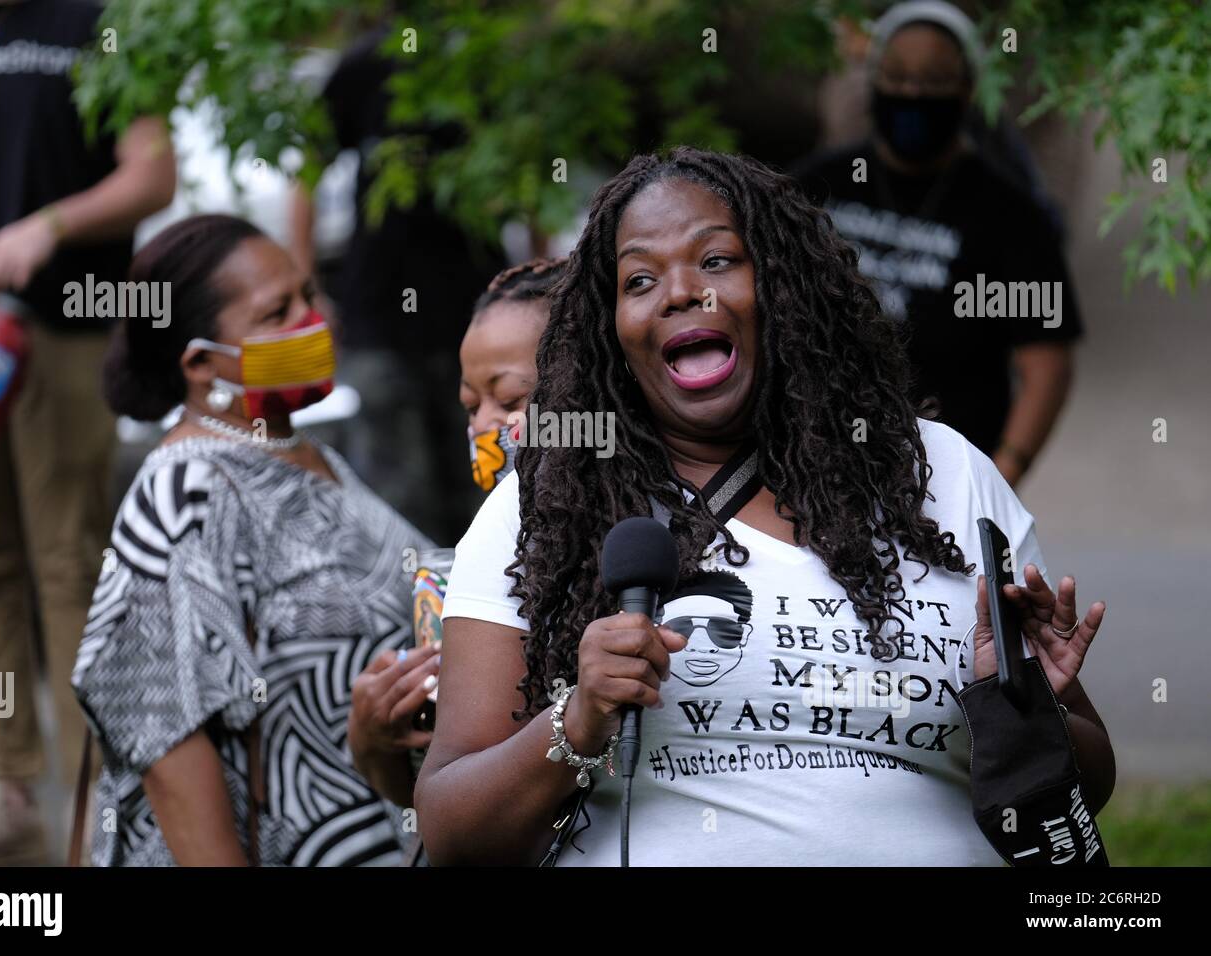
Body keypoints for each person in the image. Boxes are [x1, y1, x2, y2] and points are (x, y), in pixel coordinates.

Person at [414, 147, 1114, 866]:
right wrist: (576, 718)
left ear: (783, 283)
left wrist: (1030, 707)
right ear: (612, 325)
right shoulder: (542, 504)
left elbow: (1085, 789)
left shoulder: (943, 473)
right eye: (641, 278)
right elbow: (452, 831)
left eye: (716, 261)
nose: (682, 292)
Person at [71, 214, 431, 866]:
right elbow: (160, 726)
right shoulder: (185, 490)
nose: (313, 319)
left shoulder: (300, 450)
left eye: (308, 294)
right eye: (277, 312)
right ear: (203, 364)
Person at [0, 0, 175, 865]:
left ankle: (99, 795)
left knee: (70, 559)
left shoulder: (98, 26)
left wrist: (49, 224)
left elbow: (153, 174)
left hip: (65, 324)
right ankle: (6, 790)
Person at [791, 1, 1081, 485]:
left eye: (933, 81)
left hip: (945, 484)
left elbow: (1047, 363)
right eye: (898, 77)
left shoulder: (1012, 214)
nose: (912, 93)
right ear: (874, 80)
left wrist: (998, 477)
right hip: (814, 468)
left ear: (967, 89)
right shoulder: (815, 187)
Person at [346, 257, 565, 822]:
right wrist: (378, 745)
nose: (483, 426)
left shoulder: (648, 545)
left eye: (511, 400)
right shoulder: (467, 563)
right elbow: (446, 805)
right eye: (472, 406)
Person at [288, 24, 506, 546]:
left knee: (489, 485)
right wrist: (307, 287)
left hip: (476, 313)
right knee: (398, 497)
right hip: (379, 313)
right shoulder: (363, 66)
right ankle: (417, 619)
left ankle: (495, 615)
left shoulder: (485, 63)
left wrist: (539, 287)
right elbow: (306, 179)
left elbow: (529, 185)